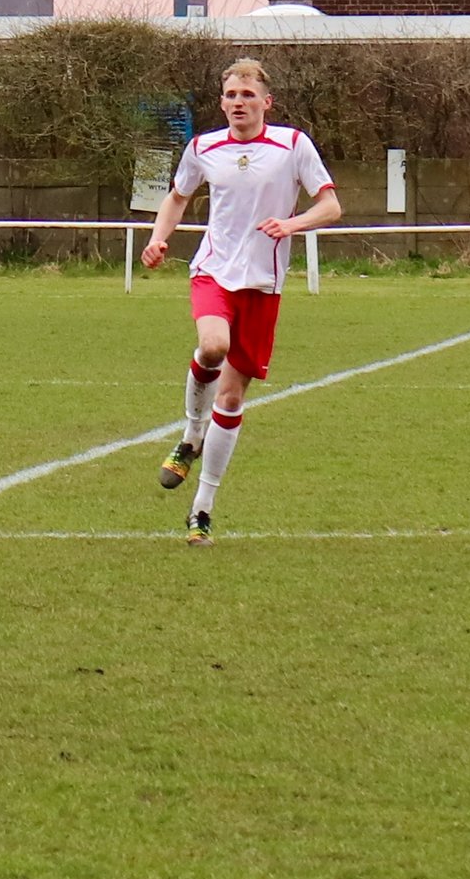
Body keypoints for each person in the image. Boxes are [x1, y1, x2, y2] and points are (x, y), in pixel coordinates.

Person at [140, 58, 339, 546]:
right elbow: (178, 196)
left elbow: (331, 205)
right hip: (214, 270)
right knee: (211, 347)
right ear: (222, 102)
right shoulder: (203, 147)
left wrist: (290, 224)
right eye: (231, 95)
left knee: (230, 399)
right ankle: (190, 435)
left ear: (265, 103)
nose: (238, 103)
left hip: (262, 284)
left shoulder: (292, 145)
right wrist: (158, 238)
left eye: (248, 95)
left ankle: (201, 509)